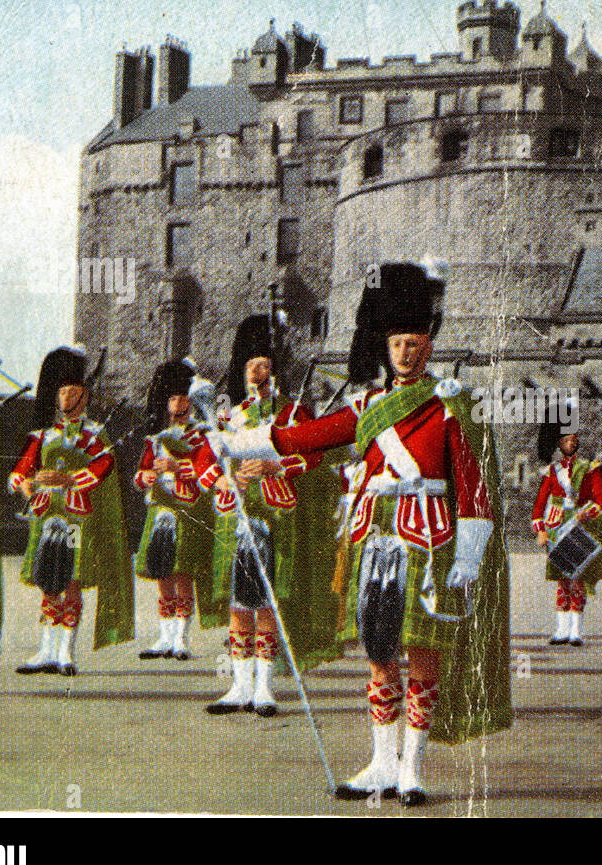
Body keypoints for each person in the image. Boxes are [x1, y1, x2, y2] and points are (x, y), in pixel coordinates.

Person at [215, 263, 510, 806]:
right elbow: (306, 436)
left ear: (427, 345)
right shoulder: (369, 405)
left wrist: (469, 555)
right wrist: (240, 445)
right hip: (373, 540)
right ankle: (380, 760)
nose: (405, 352)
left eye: (415, 342)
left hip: (430, 541)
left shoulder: (449, 406)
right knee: (378, 652)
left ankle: (412, 767)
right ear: (386, 345)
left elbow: (471, 484)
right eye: (397, 342)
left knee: (423, 653)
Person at [193, 314, 344, 717]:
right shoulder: (230, 417)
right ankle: (238, 686)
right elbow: (205, 459)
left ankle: (264, 686)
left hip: (278, 515)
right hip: (236, 515)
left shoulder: (295, 414)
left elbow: (313, 456)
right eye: (249, 366)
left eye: (263, 365)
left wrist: (277, 467)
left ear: (275, 370)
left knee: (267, 602)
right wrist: (221, 483)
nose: (256, 372)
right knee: (239, 604)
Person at [11, 347, 133, 676]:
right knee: (48, 581)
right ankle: (46, 649)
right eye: (61, 390)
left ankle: (66, 650)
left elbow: (103, 467)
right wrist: (27, 483)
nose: (66, 396)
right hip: (45, 515)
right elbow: (19, 472)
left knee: (71, 578)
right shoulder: (42, 435)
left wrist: (67, 478)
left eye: (72, 391)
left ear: (84, 394)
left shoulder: (95, 435)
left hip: (77, 517)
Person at [134, 358, 213, 660]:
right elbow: (139, 474)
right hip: (159, 507)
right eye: (172, 397)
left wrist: (178, 467)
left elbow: (206, 469)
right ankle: (164, 637)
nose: (177, 403)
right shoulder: (154, 438)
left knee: (182, 575)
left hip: (186, 507)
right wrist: (146, 476)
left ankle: (181, 638)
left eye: (182, 397)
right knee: (162, 574)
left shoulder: (201, 434)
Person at [532, 417, 602, 646]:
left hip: (580, 524)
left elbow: (601, 501)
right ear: (559, 444)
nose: (570, 443)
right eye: (565, 440)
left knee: (577, 578)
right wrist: (540, 529)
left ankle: (576, 630)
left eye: (573, 439)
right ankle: (561, 629)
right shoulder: (552, 471)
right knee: (561, 580)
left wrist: (588, 513)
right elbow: (540, 503)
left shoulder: (590, 467)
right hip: (557, 525)